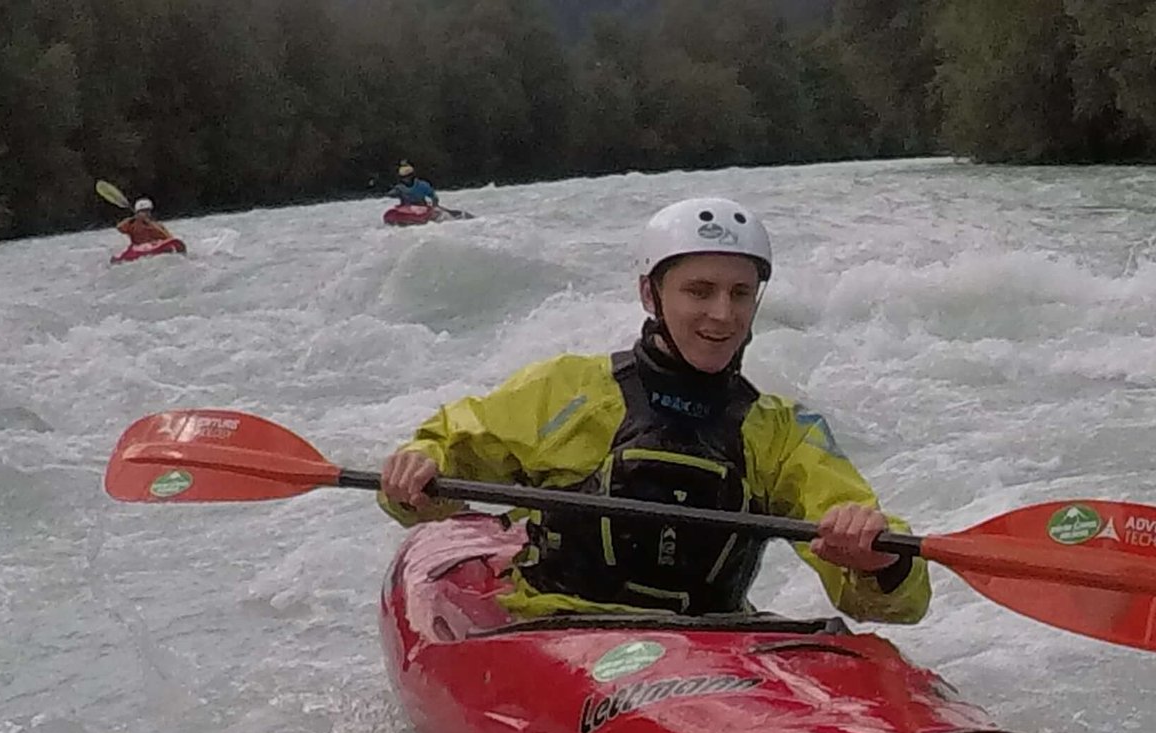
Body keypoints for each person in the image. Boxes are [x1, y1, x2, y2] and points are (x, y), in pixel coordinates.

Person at [378, 196, 927, 624]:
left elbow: (890, 604)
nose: (722, 314)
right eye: (700, 291)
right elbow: (447, 456)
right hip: (558, 631)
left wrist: (878, 557)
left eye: (741, 294)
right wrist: (418, 467)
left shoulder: (780, 431)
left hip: (707, 647)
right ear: (650, 295)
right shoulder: (567, 389)